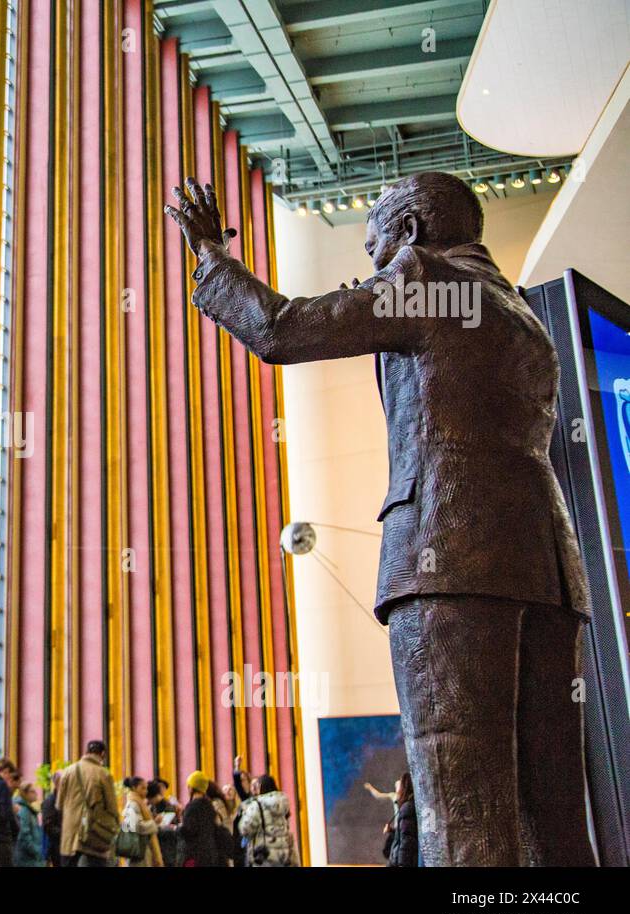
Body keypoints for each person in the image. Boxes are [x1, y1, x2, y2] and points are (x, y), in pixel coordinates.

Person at [165, 171, 595, 867]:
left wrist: (212, 256)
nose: (375, 272)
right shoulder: (520, 314)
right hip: (546, 567)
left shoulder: (424, 280)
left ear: (414, 232)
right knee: (553, 816)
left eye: (377, 251)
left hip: (450, 558)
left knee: (463, 809)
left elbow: (280, 328)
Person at [56, 740, 119, 867]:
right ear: (102, 754)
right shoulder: (103, 774)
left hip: (70, 835)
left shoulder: (67, 772)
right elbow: (112, 807)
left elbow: (59, 804)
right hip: (94, 833)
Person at [239, 774, 296, 867]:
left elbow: (245, 829)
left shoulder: (257, 805)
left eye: (257, 786)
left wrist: (245, 813)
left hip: (263, 856)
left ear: (261, 787)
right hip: (283, 856)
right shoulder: (283, 803)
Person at [177, 771, 223, 867]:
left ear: (191, 788)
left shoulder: (192, 806)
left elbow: (189, 831)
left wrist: (177, 828)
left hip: (194, 855)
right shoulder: (209, 805)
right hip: (210, 854)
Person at [119, 776, 163, 866]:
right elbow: (136, 826)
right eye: (142, 788)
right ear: (134, 788)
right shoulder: (133, 804)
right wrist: (154, 823)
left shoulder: (140, 803)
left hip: (141, 848)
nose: (146, 791)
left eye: (146, 788)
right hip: (138, 850)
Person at [383, 772, 419, 867]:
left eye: (399, 786)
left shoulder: (408, 807)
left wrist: (402, 863)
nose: (397, 789)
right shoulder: (410, 806)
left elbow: (407, 839)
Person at [147, 780, 180, 868]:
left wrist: (155, 825)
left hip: (168, 848)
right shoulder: (151, 807)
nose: (148, 801)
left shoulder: (168, 807)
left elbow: (172, 828)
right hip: (159, 848)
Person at [13, 782, 45, 867]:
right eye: (32, 791)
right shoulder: (24, 811)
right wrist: (36, 850)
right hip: (27, 859)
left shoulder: (29, 810)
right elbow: (24, 835)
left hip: (30, 857)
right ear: (25, 794)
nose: (36, 794)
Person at [41, 772, 64, 866]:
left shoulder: (66, 799)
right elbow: (48, 826)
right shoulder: (50, 801)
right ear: (57, 783)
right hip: (57, 847)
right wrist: (65, 833)